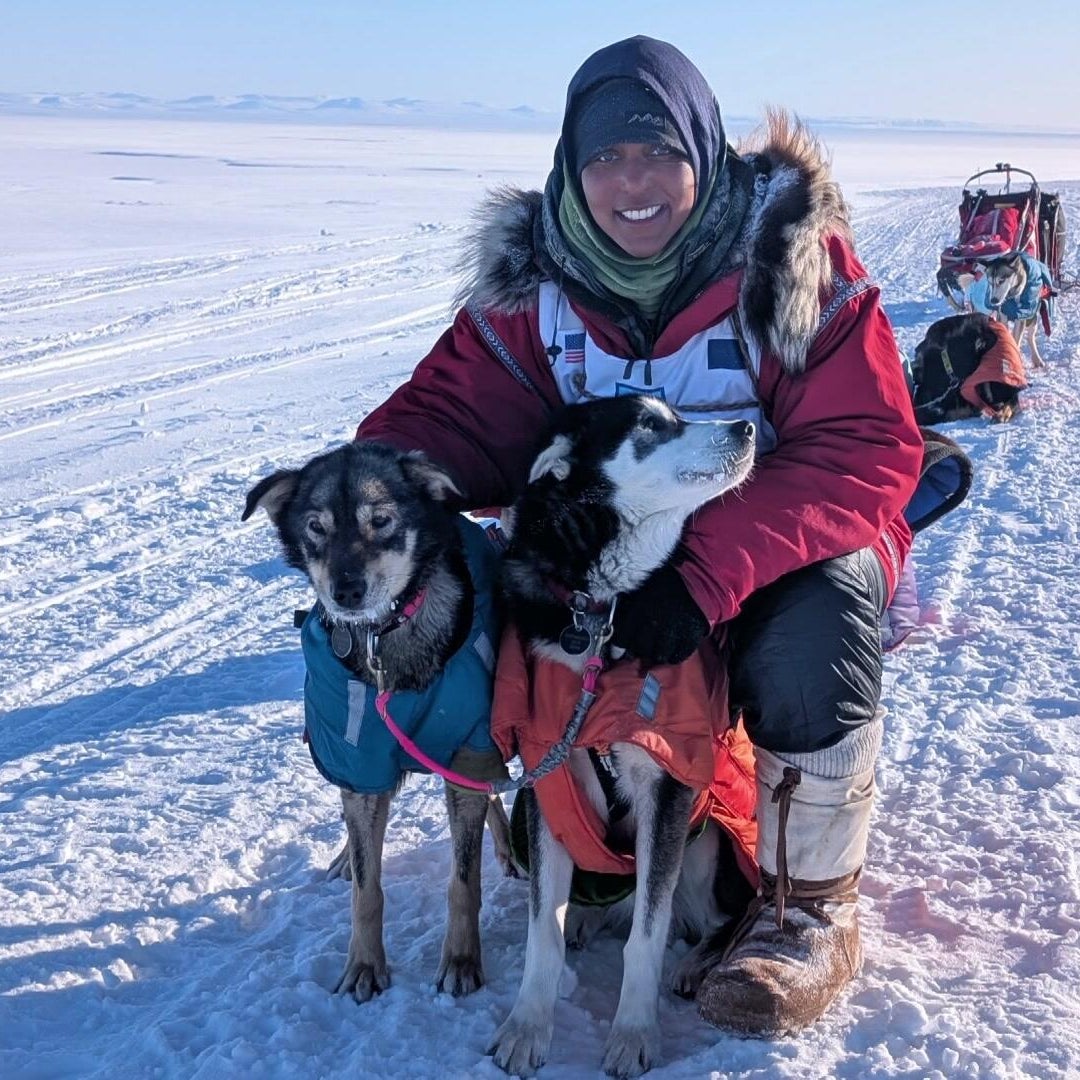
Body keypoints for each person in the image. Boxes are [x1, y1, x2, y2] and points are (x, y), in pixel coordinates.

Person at [357, 35, 924, 1037]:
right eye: (605, 158)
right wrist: (369, 497)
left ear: (702, 154)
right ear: (572, 173)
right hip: (618, 567)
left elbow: (863, 448)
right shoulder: (537, 292)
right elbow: (452, 419)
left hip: (773, 554)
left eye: (659, 152)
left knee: (812, 631)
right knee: (483, 598)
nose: (633, 183)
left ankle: (804, 911)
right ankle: (564, 819)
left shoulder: (791, 266)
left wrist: (704, 572)